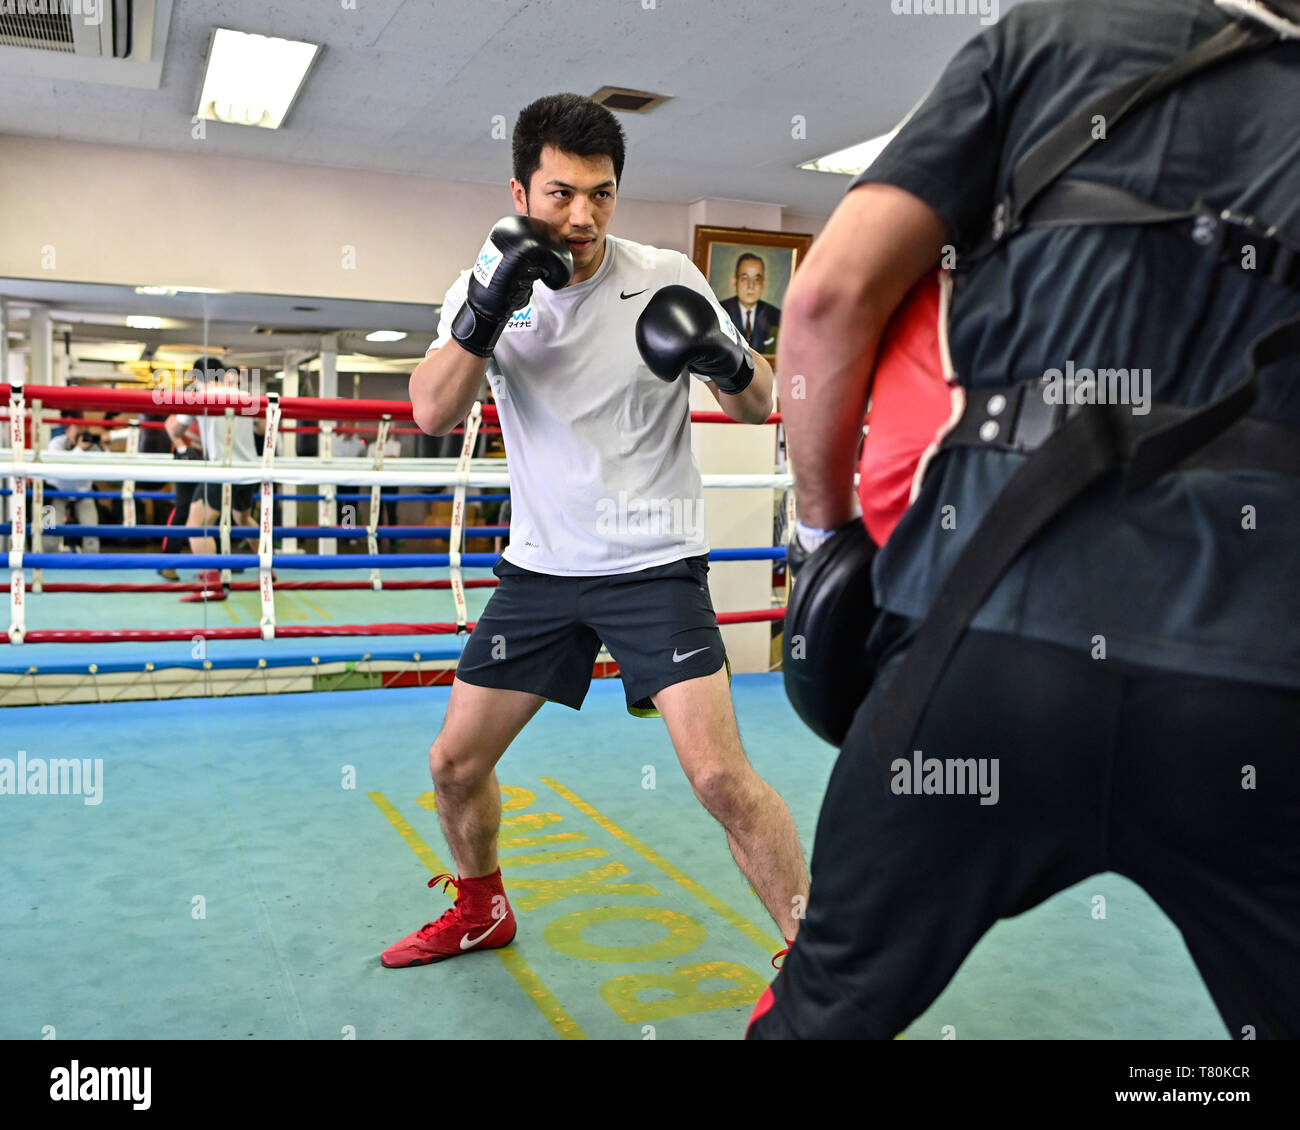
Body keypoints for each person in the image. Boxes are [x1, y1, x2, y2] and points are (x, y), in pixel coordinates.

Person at [748, 0, 1300, 1040]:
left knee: (821, 1015)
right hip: (1260, 680)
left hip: (986, 637)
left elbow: (824, 298)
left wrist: (823, 544)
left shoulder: (1046, 38)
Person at [387, 92, 809, 969]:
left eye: (602, 194)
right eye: (561, 194)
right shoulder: (486, 283)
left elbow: (762, 401)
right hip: (540, 572)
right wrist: (485, 312)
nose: (582, 216)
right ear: (520, 191)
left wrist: (727, 359)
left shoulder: (665, 278)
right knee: (454, 766)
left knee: (721, 779)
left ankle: (818, 959)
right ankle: (482, 909)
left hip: (654, 564)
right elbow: (430, 409)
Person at [164, 357, 260, 602]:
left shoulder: (200, 397)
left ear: (196, 378)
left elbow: (175, 431)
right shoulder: (245, 394)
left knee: (196, 526)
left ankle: (211, 584)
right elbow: (261, 428)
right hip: (249, 469)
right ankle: (267, 571)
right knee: (243, 518)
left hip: (222, 470)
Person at [45, 416, 102, 553]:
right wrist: (80, 450)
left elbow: (106, 467)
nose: (82, 434)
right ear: (67, 431)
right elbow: (63, 469)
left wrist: (104, 446)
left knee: (91, 530)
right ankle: (46, 561)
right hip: (55, 492)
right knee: (49, 530)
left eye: (85, 429)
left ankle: (93, 564)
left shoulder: (92, 447)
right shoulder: (55, 444)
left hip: (82, 492)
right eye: (78, 430)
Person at [720, 253, 780, 353]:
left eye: (757, 279)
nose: (750, 285)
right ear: (735, 282)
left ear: (763, 284)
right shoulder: (720, 311)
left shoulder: (776, 317)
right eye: (744, 278)